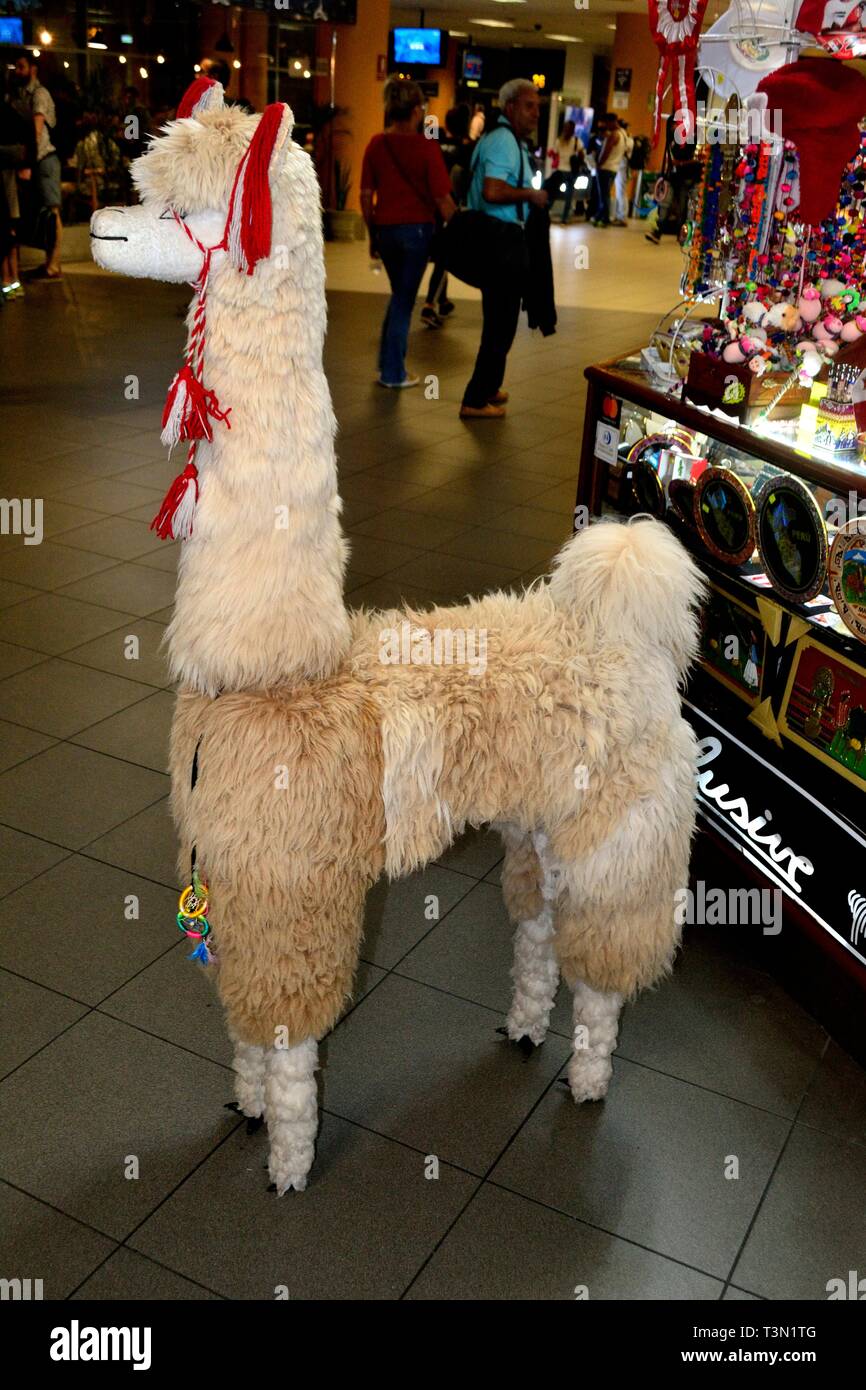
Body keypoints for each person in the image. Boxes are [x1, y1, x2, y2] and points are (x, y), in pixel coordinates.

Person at [460, 78, 548, 420]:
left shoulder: (508, 140)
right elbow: (493, 191)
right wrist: (531, 196)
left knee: (501, 320)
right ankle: (475, 397)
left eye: (537, 107)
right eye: (529, 106)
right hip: (500, 241)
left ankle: (489, 385)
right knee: (500, 323)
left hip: (500, 240)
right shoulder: (503, 142)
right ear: (509, 107)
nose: (536, 114)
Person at [360, 77, 455, 388]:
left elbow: (365, 193)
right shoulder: (426, 147)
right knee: (403, 300)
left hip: (385, 231)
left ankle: (387, 365)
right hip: (416, 232)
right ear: (416, 110)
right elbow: (442, 198)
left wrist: (373, 231)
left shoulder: (376, 144)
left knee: (399, 296)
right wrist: (459, 229)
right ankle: (393, 373)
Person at [9, 50, 62, 278]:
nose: (18, 71)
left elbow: (37, 131)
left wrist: (27, 162)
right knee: (44, 211)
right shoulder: (20, 94)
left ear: (33, 68)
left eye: (22, 66)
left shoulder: (39, 94)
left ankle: (54, 263)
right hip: (36, 159)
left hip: (44, 159)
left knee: (52, 211)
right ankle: (49, 261)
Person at [420, 104, 474, 327]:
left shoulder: (434, 138)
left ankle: (442, 300)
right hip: (449, 207)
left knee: (442, 250)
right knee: (444, 256)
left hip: (428, 205)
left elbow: (426, 131)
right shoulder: (466, 148)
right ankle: (430, 305)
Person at [545, 117, 584, 224]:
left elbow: (554, 153)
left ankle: (545, 213)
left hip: (560, 171)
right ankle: (565, 218)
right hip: (571, 172)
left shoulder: (559, 141)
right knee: (569, 196)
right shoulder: (577, 141)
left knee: (554, 193)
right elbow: (582, 155)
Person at [591, 113, 626, 228]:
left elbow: (606, 152)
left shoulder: (614, 135)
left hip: (605, 168)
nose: (606, 126)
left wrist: (598, 164)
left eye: (607, 123)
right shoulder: (623, 134)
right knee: (606, 194)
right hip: (615, 168)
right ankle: (599, 216)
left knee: (603, 195)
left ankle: (604, 218)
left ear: (611, 122)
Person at [612, 119, 634, 225]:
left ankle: (622, 217)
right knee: (620, 192)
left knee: (621, 192)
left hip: (622, 166)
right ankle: (619, 215)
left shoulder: (623, 137)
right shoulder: (628, 138)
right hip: (623, 166)